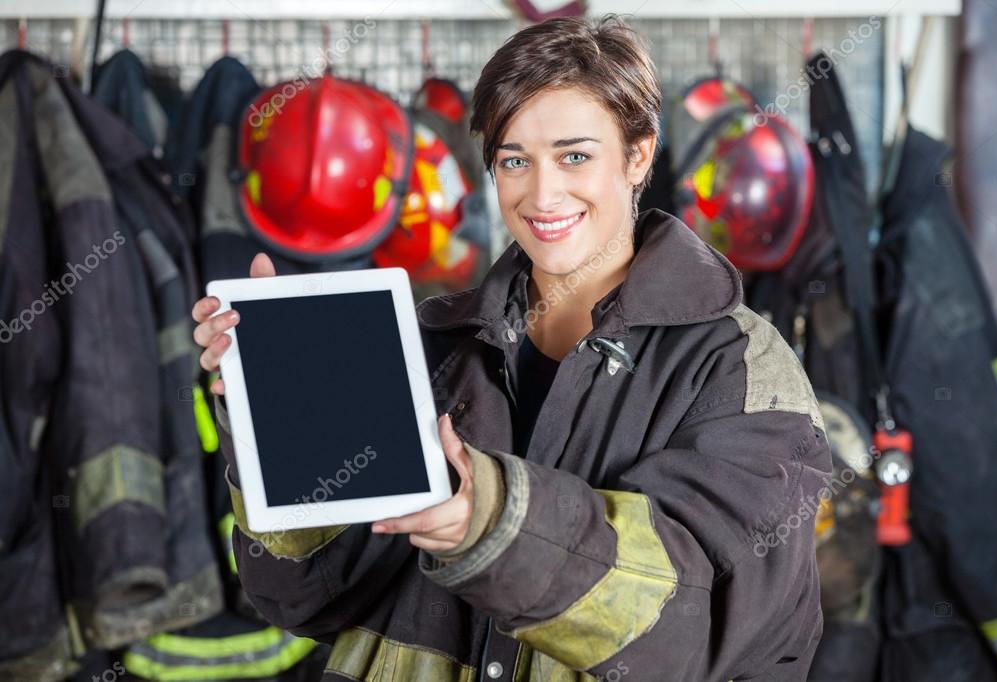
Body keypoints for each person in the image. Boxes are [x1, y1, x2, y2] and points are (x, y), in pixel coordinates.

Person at [191, 16, 831, 681]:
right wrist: (275, 409)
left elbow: (702, 621)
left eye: (574, 155)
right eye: (513, 160)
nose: (541, 193)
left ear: (638, 154)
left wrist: (491, 523)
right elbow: (305, 596)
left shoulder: (739, 370)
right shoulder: (430, 343)